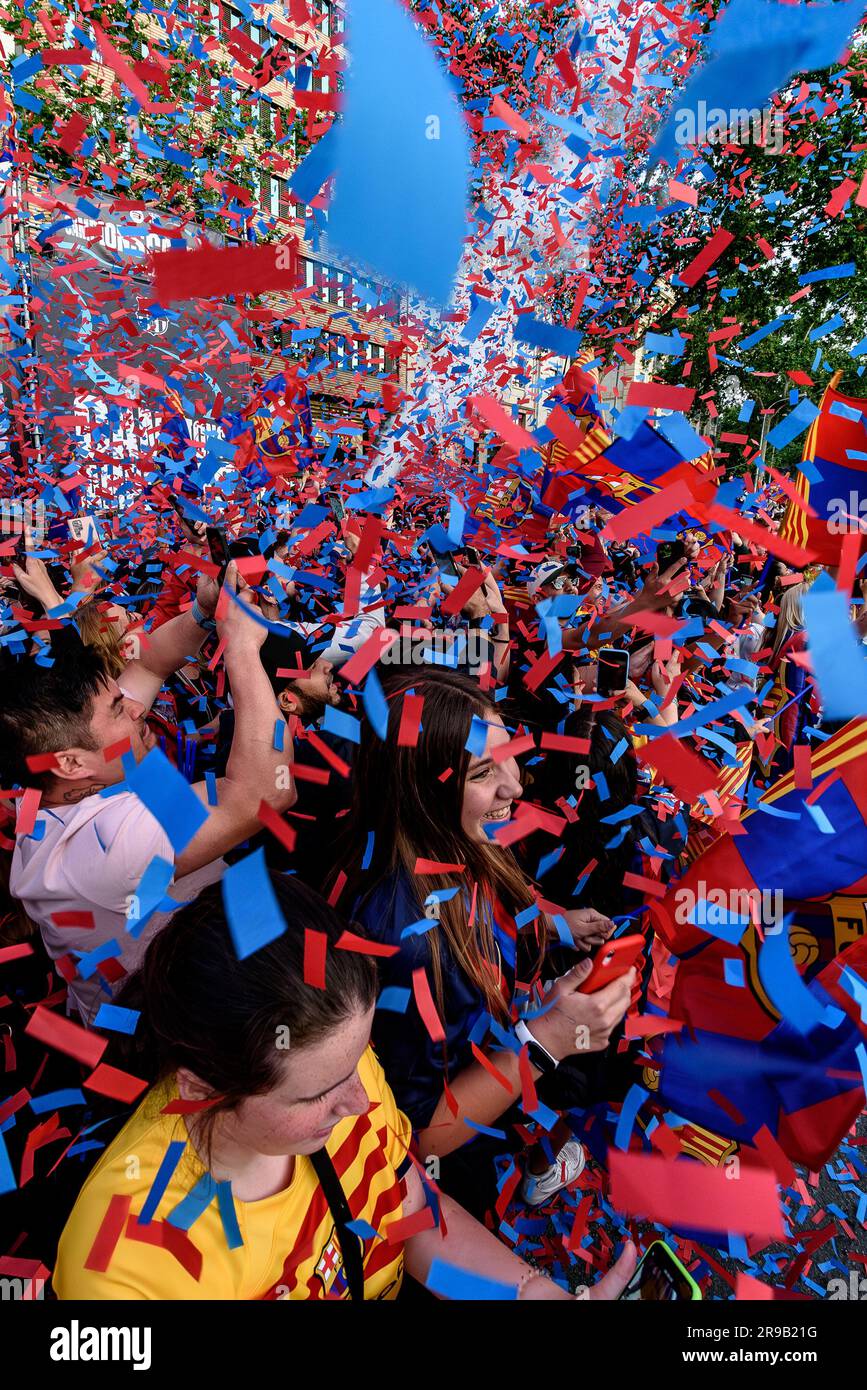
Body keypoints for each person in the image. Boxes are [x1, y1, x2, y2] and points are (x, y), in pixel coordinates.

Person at [53, 875, 636, 1301]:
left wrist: (531, 1295)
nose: (360, 1101)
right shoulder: (125, 1273)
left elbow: (405, 1203)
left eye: (359, 1059)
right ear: (202, 1088)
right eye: (315, 1095)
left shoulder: (337, 1073)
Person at [331, 668, 635, 1217]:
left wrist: (554, 922)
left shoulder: (460, 834)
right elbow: (417, 1136)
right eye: (481, 771)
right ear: (421, 789)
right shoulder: (403, 941)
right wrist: (544, 1041)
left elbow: (485, 907)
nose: (515, 787)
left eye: (510, 754)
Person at [0, 565, 295, 1024]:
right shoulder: (99, 843)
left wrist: (203, 610)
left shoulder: (73, 782)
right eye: (118, 708)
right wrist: (241, 648)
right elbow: (264, 795)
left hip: (209, 962)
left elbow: (153, 662)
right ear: (71, 763)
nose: (139, 708)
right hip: (174, 1041)